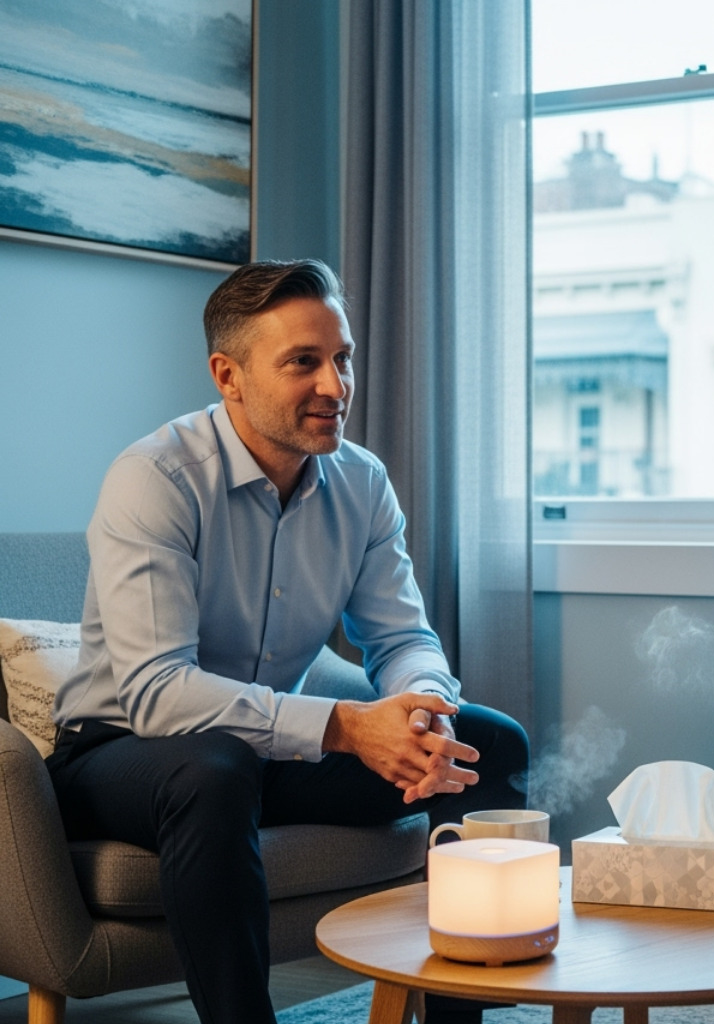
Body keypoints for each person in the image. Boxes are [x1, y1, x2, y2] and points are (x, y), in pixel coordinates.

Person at [48, 259, 529, 1024]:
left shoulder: (362, 483)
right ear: (228, 375)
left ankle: (453, 1017)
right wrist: (344, 727)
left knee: (487, 746)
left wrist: (425, 707)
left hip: (265, 754)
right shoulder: (156, 478)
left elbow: (401, 634)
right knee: (214, 766)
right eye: (304, 362)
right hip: (120, 754)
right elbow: (157, 691)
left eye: (342, 359)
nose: (335, 387)